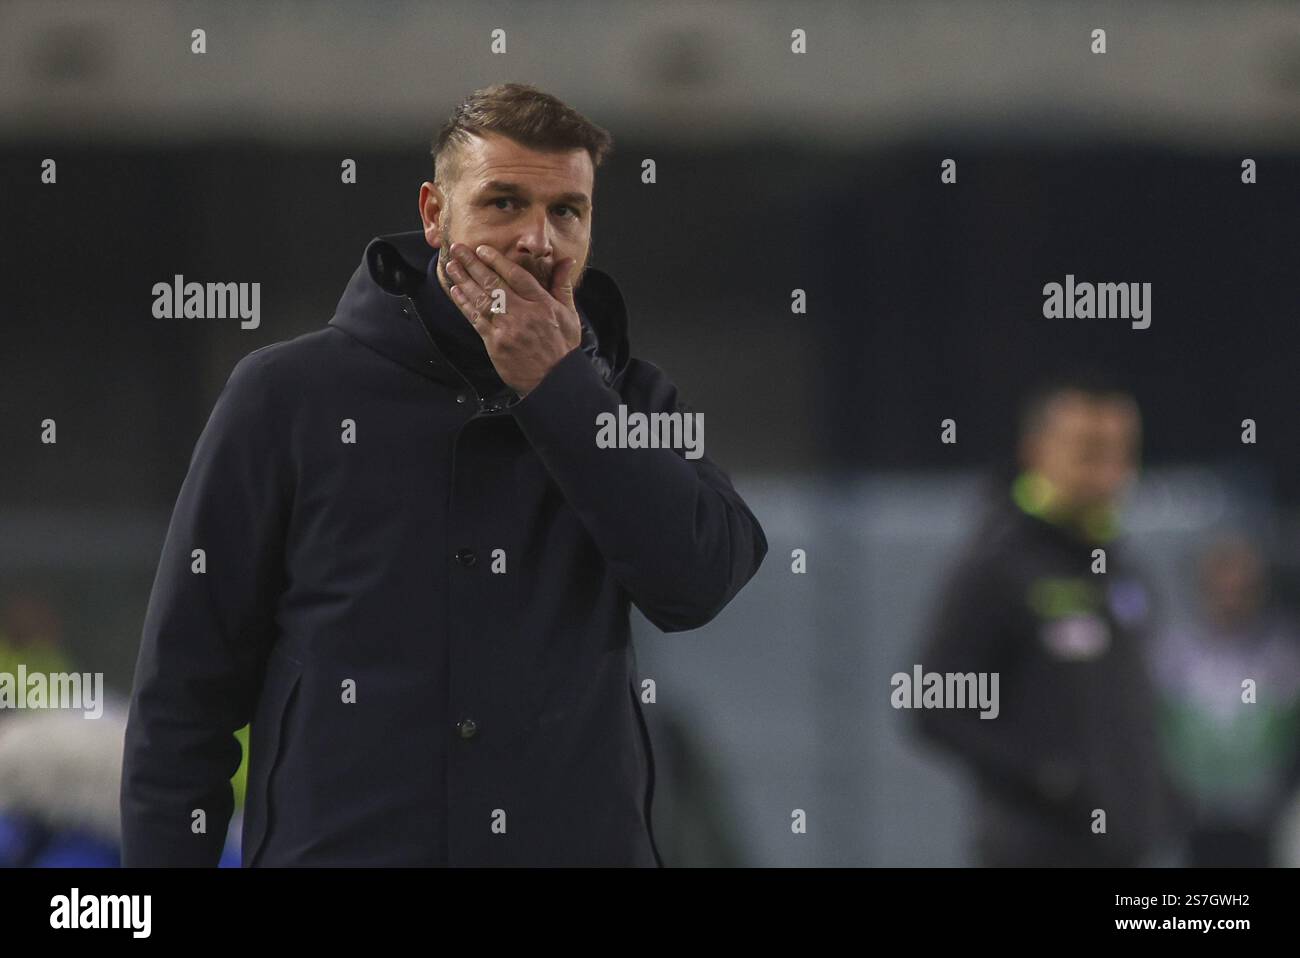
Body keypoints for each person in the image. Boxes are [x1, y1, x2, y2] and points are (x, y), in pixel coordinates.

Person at [120, 83, 768, 867]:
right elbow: (183, 699)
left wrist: (560, 392)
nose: (539, 238)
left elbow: (698, 580)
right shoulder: (286, 396)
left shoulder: (627, 398)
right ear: (435, 213)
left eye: (568, 211)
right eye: (503, 202)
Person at [913, 373, 1172, 866]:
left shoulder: (1120, 568)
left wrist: (1166, 795)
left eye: (1121, 453)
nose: (1108, 473)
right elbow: (933, 705)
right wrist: (1045, 776)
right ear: (1036, 450)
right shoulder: (998, 563)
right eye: (1089, 451)